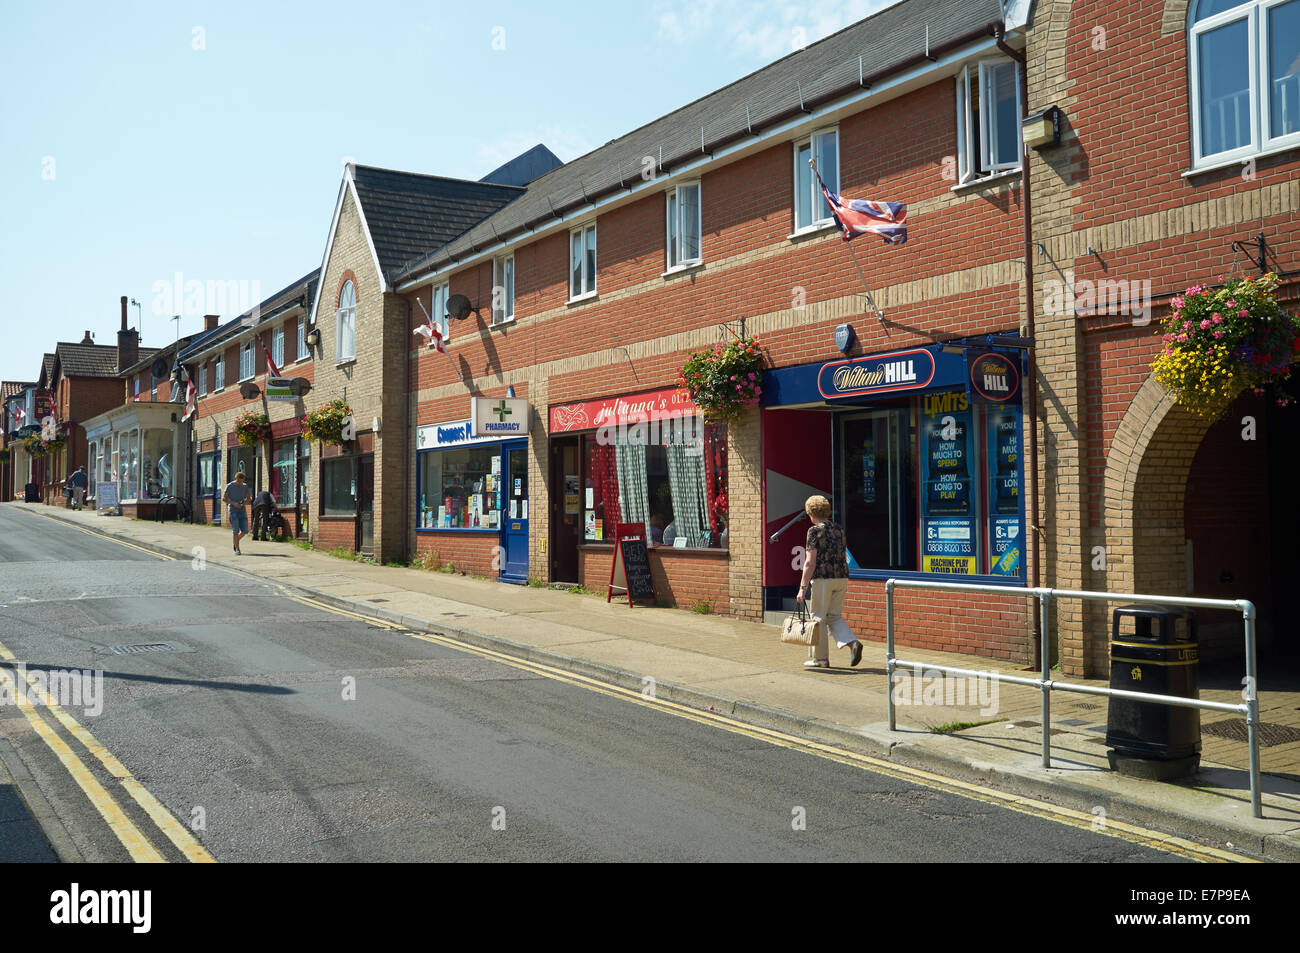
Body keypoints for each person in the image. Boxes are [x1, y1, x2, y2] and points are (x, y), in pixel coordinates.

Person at [795, 494, 862, 669]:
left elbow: (810, 562)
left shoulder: (814, 531)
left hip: (822, 579)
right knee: (834, 616)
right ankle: (852, 643)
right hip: (841, 577)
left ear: (811, 513)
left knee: (818, 618)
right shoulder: (839, 529)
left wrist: (802, 588)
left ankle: (820, 659)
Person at [222, 471, 251, 555]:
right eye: (238, 481)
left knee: (245, 530)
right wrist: (234, 503)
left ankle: (235, 542)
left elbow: (248, 498)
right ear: (235, 478)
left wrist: (243, 503)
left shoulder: (244, 486)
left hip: (242, 510)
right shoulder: (229, 486)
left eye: (241, 481)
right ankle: (237, 549)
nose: (240, 483)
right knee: (235, 530)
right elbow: (224, 499)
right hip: (232, 510)